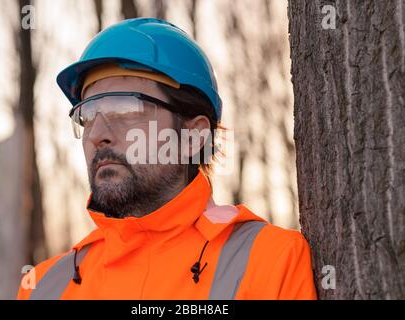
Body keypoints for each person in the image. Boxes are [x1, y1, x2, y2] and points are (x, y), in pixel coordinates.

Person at [17, 18, 317, 300]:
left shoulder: (271, 262)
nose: (96, 135)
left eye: (123, 109)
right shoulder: (44, 286)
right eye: (88, 115)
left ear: (194, 136)